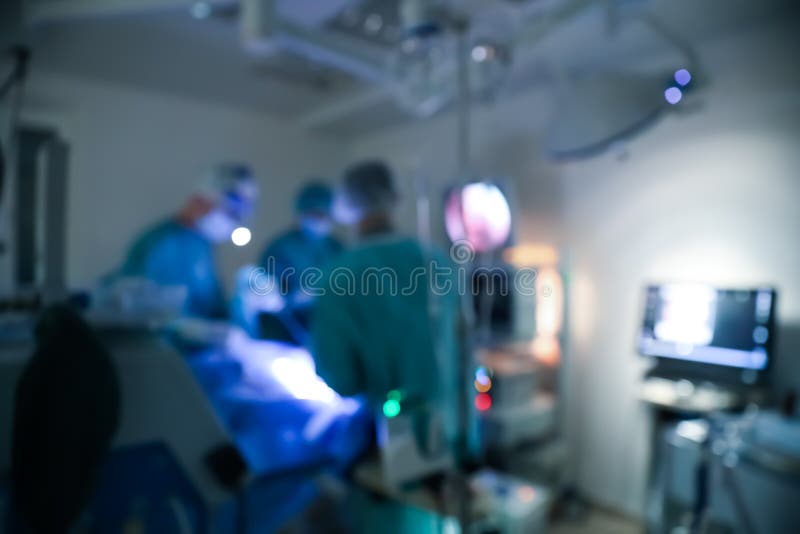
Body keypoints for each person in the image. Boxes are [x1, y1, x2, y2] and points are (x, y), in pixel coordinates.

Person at [310, 161, 462, 441]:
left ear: (344, 207)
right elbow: (461, 338)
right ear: (394, 198)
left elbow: (341, 378)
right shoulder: (437, 259)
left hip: (389, 433)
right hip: (448, 423)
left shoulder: (339, 275)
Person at [117, 163, 258, 319]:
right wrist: (187, 330)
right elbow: (145, 313)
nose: (232, 220)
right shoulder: (161, 245)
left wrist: (244, 302)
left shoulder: (202, 245)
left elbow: (213, 308)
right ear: (200, 199)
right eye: (229, 211)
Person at [239, 182, 342, 342]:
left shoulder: (336, 247)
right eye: (314, 214)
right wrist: (294, 296)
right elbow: (266, 293)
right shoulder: (281, 248)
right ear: (301, 213)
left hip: (329, 328)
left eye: (324, 214)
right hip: (284, 330)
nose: (319, 220)